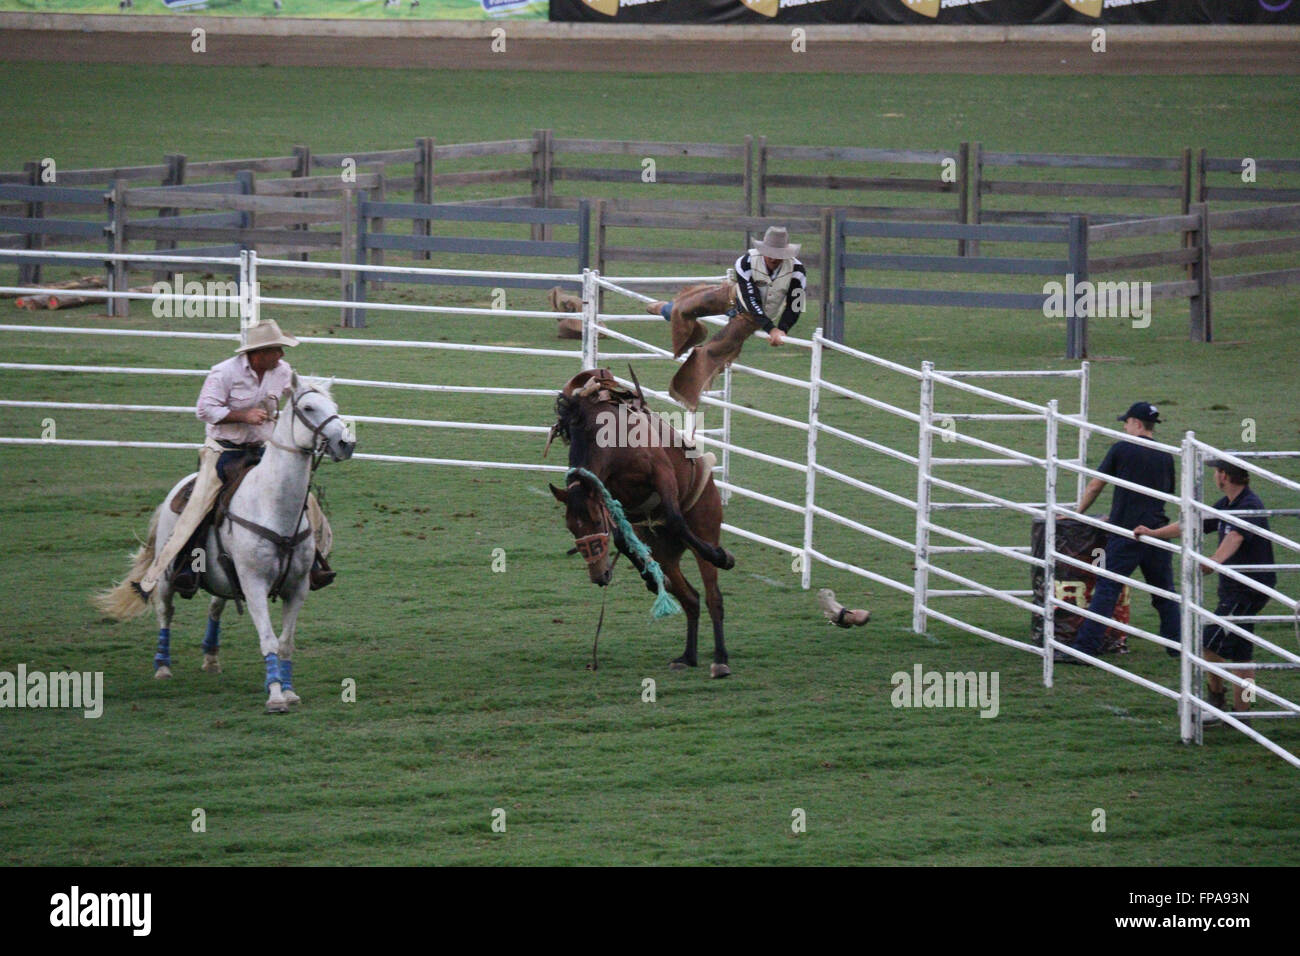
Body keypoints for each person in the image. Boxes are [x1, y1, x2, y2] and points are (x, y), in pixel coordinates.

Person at [133, 320, 335, 599]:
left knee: (302, 498)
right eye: (277, 349)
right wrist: (243, 415)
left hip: (262, 449)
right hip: (223, 452)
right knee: (198, 508)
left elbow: (299, 392)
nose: (283, 355)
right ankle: (183, 568)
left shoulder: (282, 371)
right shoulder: (224, 373)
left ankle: (311, 561)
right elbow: (204, 409)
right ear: (258, 353)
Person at [1134, 458, 1276, 721]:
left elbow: (1236, 536)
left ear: (1224, 475)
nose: (1214, 476)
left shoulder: (1248, 506)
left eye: (1216, 472)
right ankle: (1241, 715)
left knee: (1206, 643)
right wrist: (1153, 533)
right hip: (1238, 587)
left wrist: (1214, 561)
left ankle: (1216, 701)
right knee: (1242, 653)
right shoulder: (1229, 504)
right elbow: (1193, 524)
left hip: (1246, 589)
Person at [1060, 401, 1179, 663]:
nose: (1124, 427)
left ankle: (1085, 648)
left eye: (1126, 422)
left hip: (1127, 532)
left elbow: (1095, 486)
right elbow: (1168, 492)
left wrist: (1076, 513)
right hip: (1158, 531)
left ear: (1136, 423)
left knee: (1107, 588)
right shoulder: (1166, 454)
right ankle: (1178, 646)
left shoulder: (1122, 449)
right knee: (1164, 593)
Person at [645, 225, 807, 411]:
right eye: (769, 252)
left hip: (750, 319)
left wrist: (782, 328)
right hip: (733, 295)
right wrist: (771, 329)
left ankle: (687, 393)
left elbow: (795, 306)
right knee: (685, 307)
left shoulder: (798, 272)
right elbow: (750, 298)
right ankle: (666, 310)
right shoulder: (745, 262)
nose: (773, 258)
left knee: (715, 349)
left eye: (778, 254)